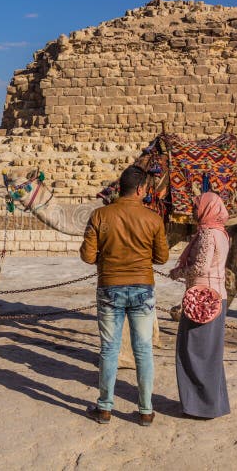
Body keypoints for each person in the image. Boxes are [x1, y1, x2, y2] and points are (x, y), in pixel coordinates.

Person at [80, 165, 169, 426]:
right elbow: (162, 258)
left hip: (109, 287)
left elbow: (87, 255)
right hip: (142, 288)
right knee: (143, 349)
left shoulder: (100, 215)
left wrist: (107, 259)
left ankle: (105, 408)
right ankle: (145, 410)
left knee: (109, 348)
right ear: (141, 189)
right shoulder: (153, 219)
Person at [169, 192, 231, 419]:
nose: (195, 211)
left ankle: (199, 407)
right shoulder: (222, 233)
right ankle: (212, 403)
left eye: (197, 207)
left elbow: (200, 268)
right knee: (209, 353)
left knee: (193, 351)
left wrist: (178, 272)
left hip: (202, 299)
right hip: (217, 295)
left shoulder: (206, 234)